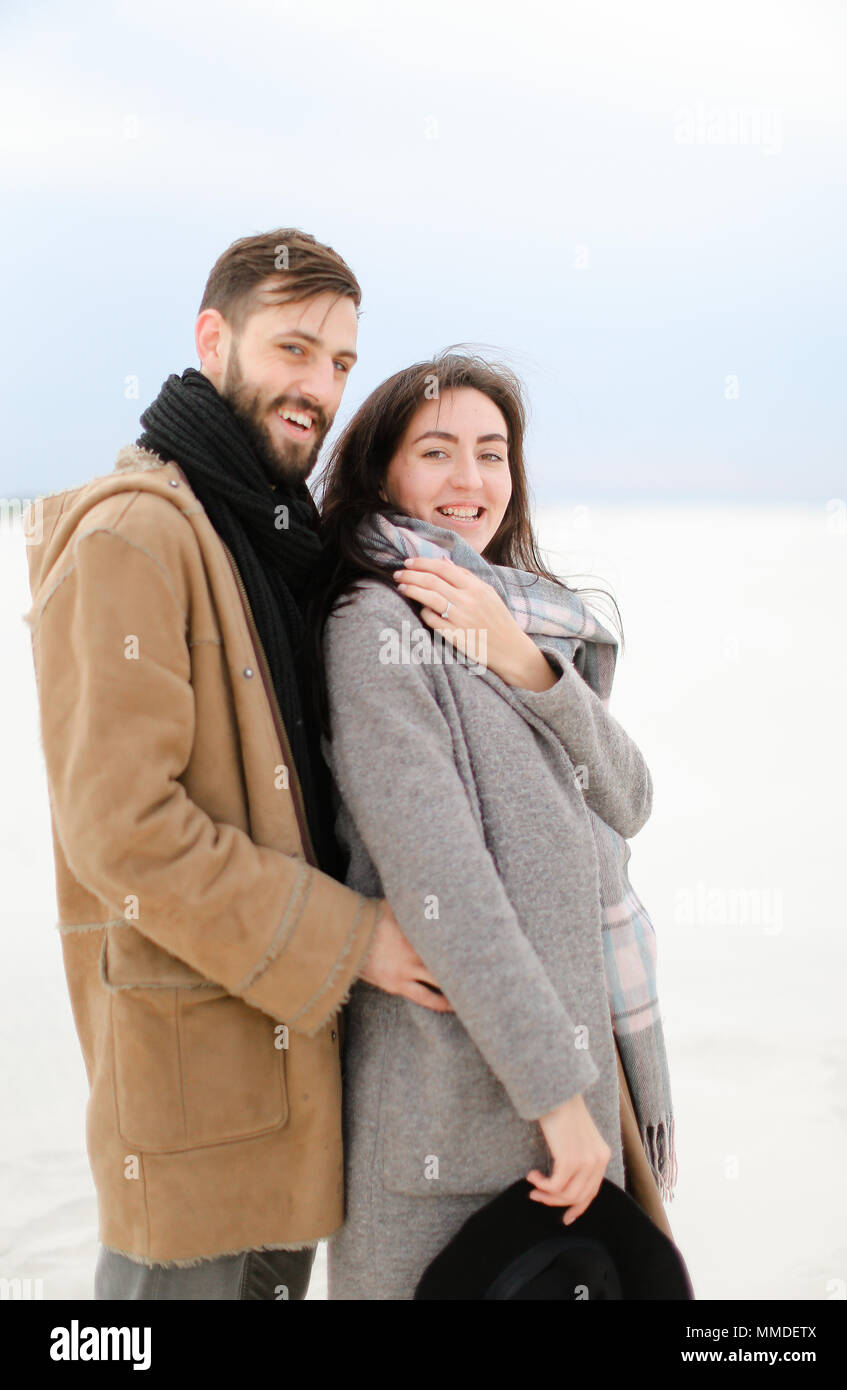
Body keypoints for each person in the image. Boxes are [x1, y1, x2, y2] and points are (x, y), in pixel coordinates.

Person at [22, 228, 452, 1302]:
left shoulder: (256, 533)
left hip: (286, 1092)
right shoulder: (135, 535)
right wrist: (357, 940)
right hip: (193, 1114)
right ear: (213, 338)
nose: (319, 386)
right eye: (294, 349)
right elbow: (124, 833)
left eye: (341, 363)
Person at [309, 352, 677, 1300]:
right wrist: (557, 1102)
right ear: (383, 470)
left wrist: (522, 662)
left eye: (492, 453)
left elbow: (629, 798)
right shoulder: (371, 628)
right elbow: (447, 892)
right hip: (454, 1138)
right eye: (437, 452)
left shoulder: (521, 624)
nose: (470, 482)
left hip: (579, 1128)